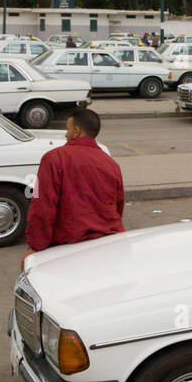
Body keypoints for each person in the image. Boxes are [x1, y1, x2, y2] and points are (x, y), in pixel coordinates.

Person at [21, 108, 125, 268]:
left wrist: (35, 246)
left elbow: (42, 207)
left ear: (76, 131)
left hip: (70, 246)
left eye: (68, 129)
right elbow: (118, 206)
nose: (66, 134)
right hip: (110, 243)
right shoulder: (110, 163)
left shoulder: (54, 158)